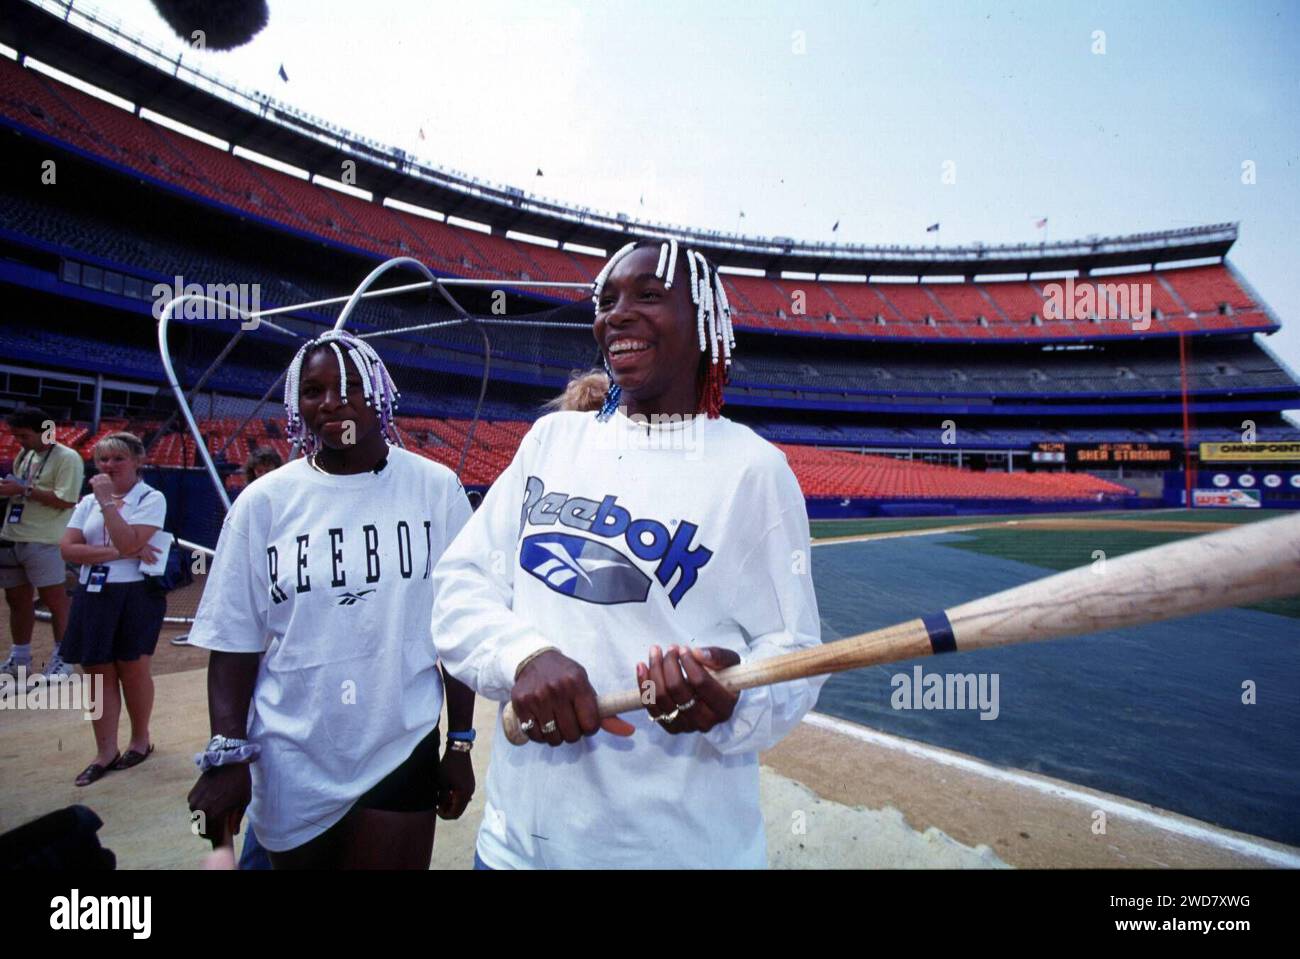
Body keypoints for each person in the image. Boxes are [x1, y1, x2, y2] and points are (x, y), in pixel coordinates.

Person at [430, 238, 824, 869]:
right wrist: (523, 657)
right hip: (515, 852)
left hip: (675, 852)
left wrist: (735, 699)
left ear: (705, 326)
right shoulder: (552, 441)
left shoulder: (753, 470)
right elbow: (460, 586)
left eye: (648, 296)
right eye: (607, 300)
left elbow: (797, 653)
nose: (617, 314)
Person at [186, 330, 476, 869]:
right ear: (297, 404)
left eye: (350, 388)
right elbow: (234, 640)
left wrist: (459, 744)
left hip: (400, 741)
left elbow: (457, 628)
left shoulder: (435, 489)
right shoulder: (264, 503)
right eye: (313, 390)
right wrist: (226, 751)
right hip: (291, 750)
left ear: (381, 394)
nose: (332, 402)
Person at [58, 432, 166, 786]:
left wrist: (108, 505)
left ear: (137, 461)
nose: (109, 466)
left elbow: (129, 539)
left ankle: (140, 739)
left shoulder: (151, 498)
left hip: (135, 593)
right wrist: (124, 550)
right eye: (103, 459)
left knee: (132, 669)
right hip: (94, 593)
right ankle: (105, 751)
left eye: (118, 458)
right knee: (96, 671)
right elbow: (69, 550)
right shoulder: (86, 502)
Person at [0, 406, 84, 680]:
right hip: (14, 536)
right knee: (16, 600)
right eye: (16, 436)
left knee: (55, 601)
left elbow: (67, 500)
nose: (19, 442)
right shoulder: (25, 455)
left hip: (46, 540)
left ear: (44, 431)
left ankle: (65, 659)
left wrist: (23, 489)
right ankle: (20, 658)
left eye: (24, 435)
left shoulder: (68, 458)